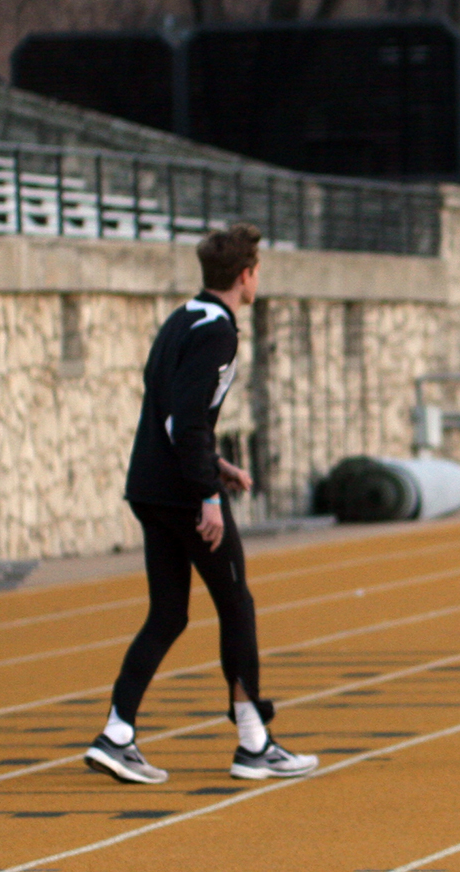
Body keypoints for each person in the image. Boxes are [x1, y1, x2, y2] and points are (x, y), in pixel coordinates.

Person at [85, 224, 316, 786]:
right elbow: (185, 422)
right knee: (237, 605)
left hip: (150, 485)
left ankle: (117, 733)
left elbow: (171, 413)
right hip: (181, 493)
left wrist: (217, 464)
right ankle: (254, 743)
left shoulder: (181, 319)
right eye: (257, 272)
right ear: (245, 275)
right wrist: (208, 494)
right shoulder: (218, 332)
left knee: (168, 614)